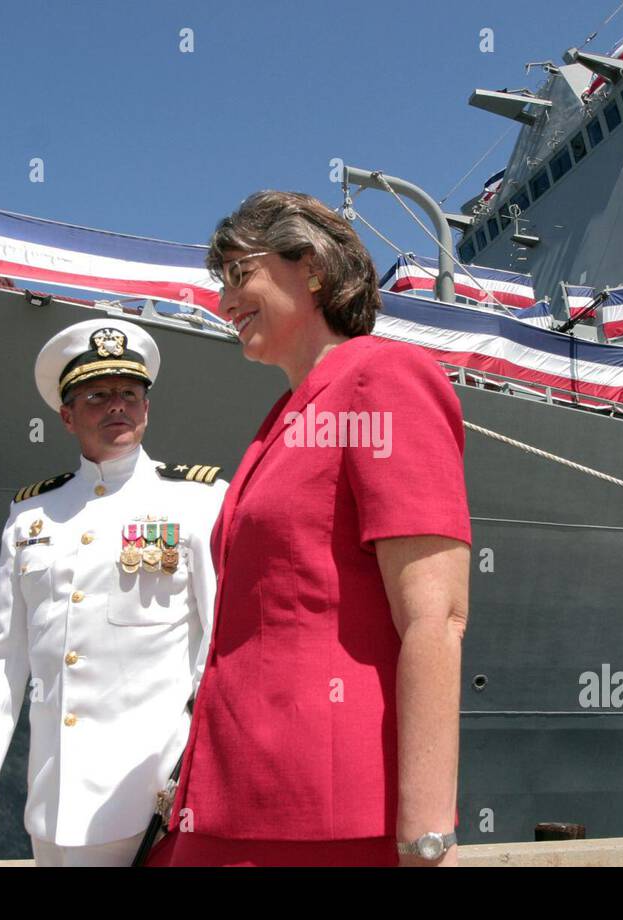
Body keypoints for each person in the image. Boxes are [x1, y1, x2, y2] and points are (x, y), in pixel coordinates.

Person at [145, 191, 472, 867]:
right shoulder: (282, 422)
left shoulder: (383, 378)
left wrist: (426, 837)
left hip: (323, 823)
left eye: (240, 276)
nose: (225, 302)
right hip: (227, 804)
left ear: (312, 268)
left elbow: (434, 617)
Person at [0, 318, 227, 866]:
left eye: (129, 393)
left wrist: (195, 770)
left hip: (157, 798)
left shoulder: (198, 501)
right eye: (96, 395)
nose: (116, 406)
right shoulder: (32, 514)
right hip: (54, 805)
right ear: (67, 416)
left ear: (146, 408)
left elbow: (221, 648)